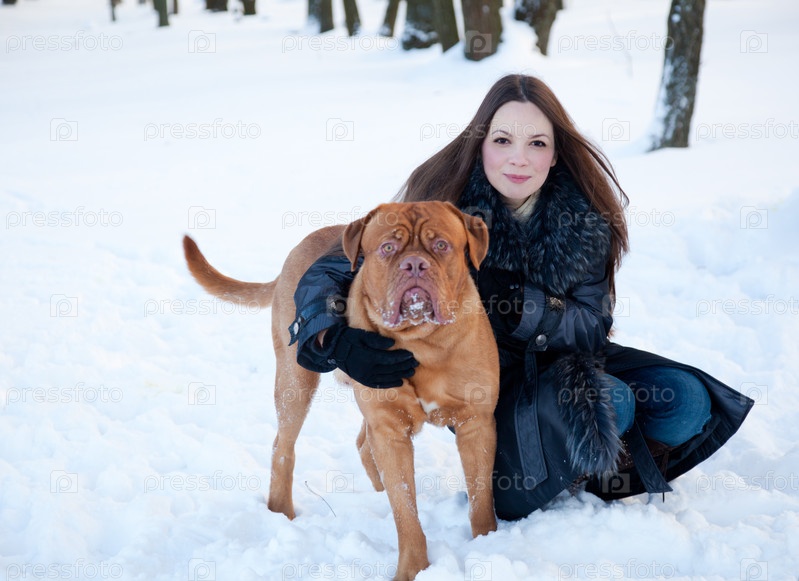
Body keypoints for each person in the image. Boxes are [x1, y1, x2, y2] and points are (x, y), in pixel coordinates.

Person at [287, 74, 754, 520]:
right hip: (482, 377)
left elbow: (592, 324)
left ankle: (585, 464)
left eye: (537, 144)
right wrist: (330, 337)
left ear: (555, 153)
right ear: (480, 143)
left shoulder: (584, 218)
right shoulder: (440, 200)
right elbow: (333, 266)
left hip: (566, 360)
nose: (519, 159)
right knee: (613, 403)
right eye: (503, 140)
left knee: (687, 401)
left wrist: (520, 304)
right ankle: (550, 459)